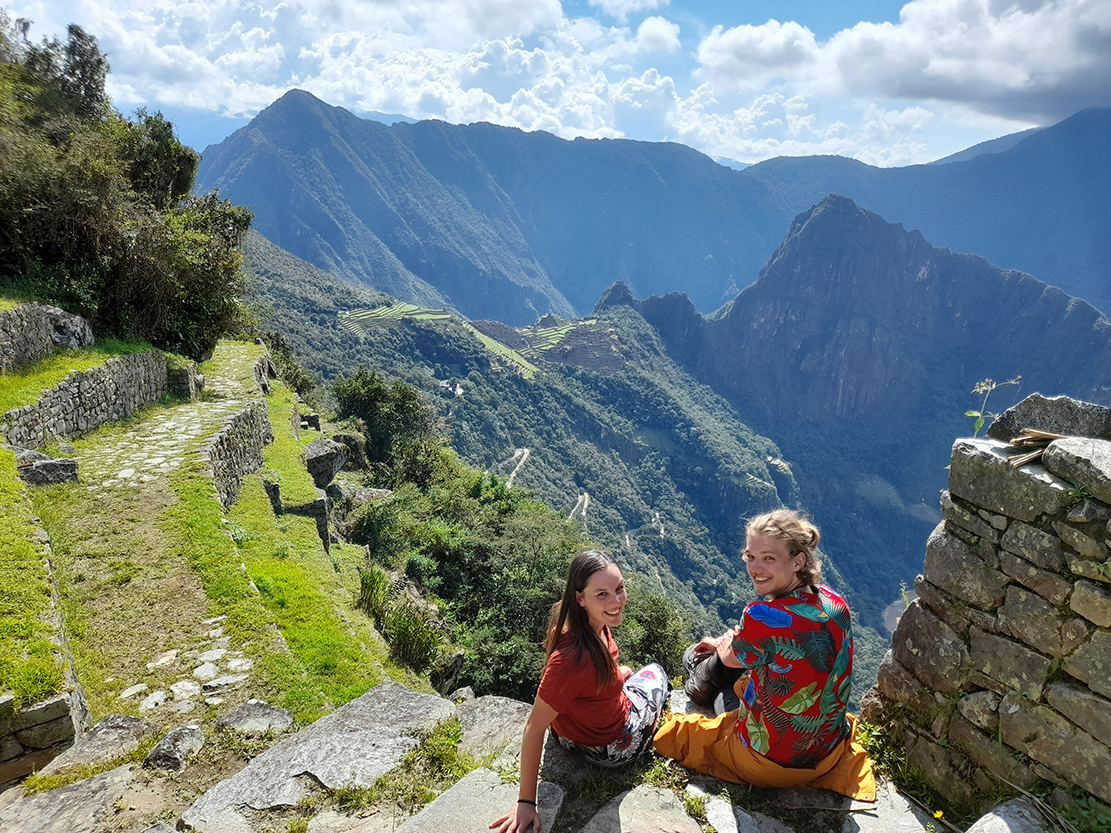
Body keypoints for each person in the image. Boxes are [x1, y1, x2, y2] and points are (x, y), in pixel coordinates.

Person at [654, 509, 875, 800]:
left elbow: (732, 659)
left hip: (766, 764)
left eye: (768, 558)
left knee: (692, 717)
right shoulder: (835, 603)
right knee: (738, 680)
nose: (755, 567)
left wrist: (724, 644)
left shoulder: (762, 615)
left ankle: (698, 678)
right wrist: (737, 641)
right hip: (825, 753)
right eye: (750, 557)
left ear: (798, 561)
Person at [490, 549, 670, 833]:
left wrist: (616, 676)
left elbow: (584, 685)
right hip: (609, 746)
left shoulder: (573, 625)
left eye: (619, 589)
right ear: (580, 598)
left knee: (625, 673)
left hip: (565, 737)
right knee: (657, 671)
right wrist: (526, 801)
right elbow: (533, 727)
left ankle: (623, 679)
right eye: (602, 594)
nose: (616, 601)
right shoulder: (572, 659)